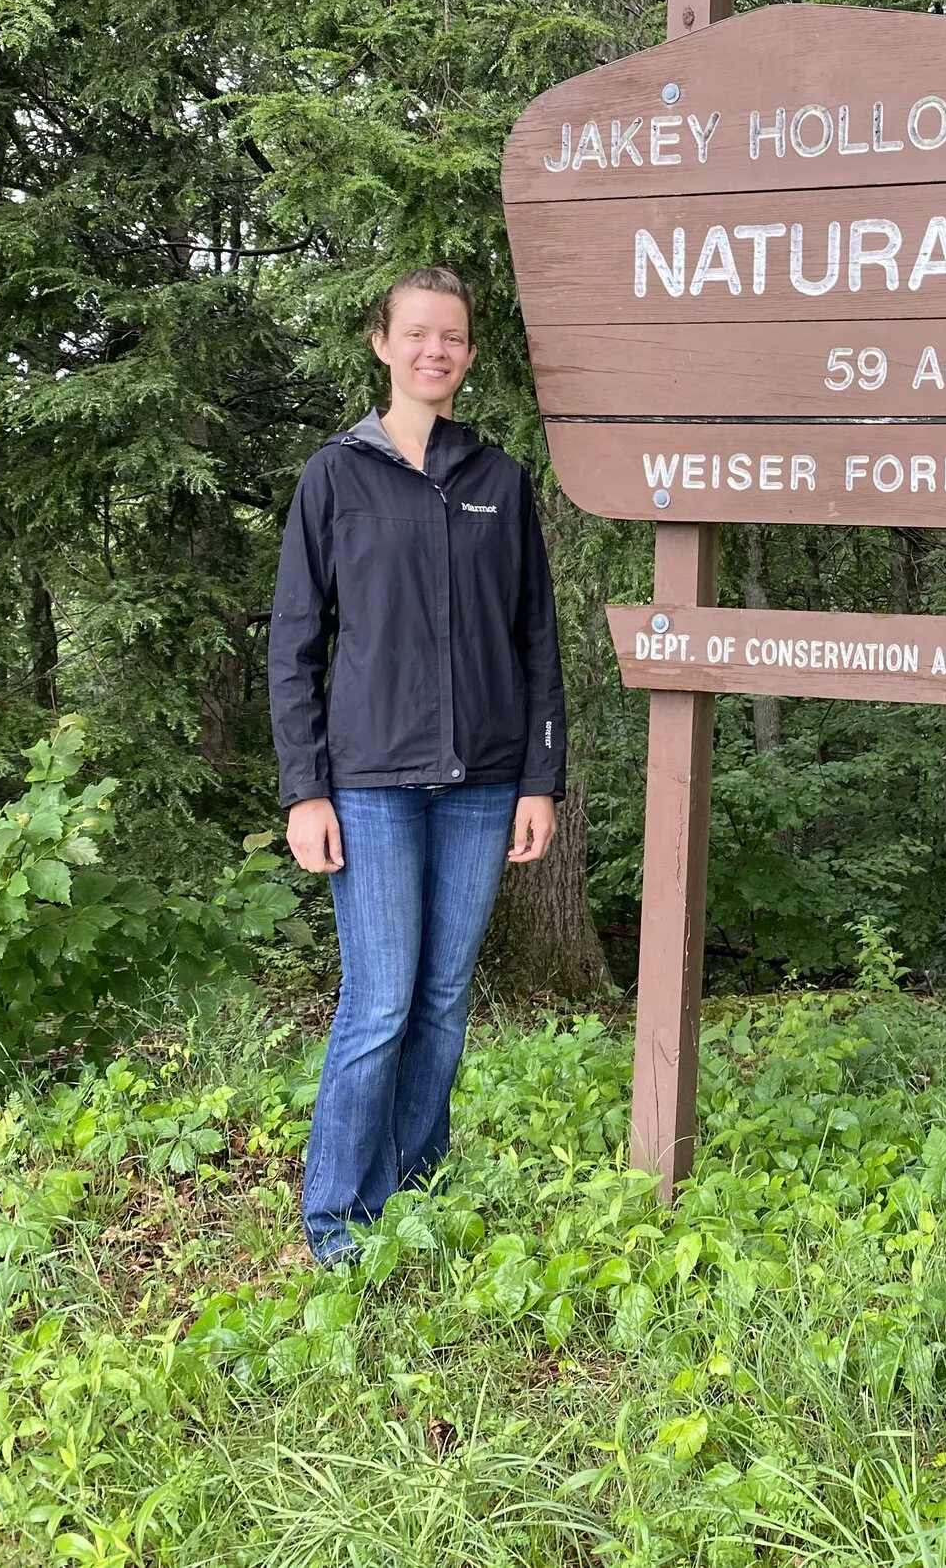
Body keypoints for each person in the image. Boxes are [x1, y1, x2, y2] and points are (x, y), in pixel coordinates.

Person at [268, 266, 567, 1266]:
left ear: (469, 356)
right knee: (381, 999)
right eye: (417, 335)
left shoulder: (499, 481)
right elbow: (296, 646)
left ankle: (416, 1194)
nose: (434, 351)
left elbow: (537, 638)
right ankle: (336, 1223)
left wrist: (539, 778)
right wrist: (305, 790)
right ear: (382, 344)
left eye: (453, 338)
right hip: (371, 785)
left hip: (484, 783)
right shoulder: (335, 477)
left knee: (442, 999)